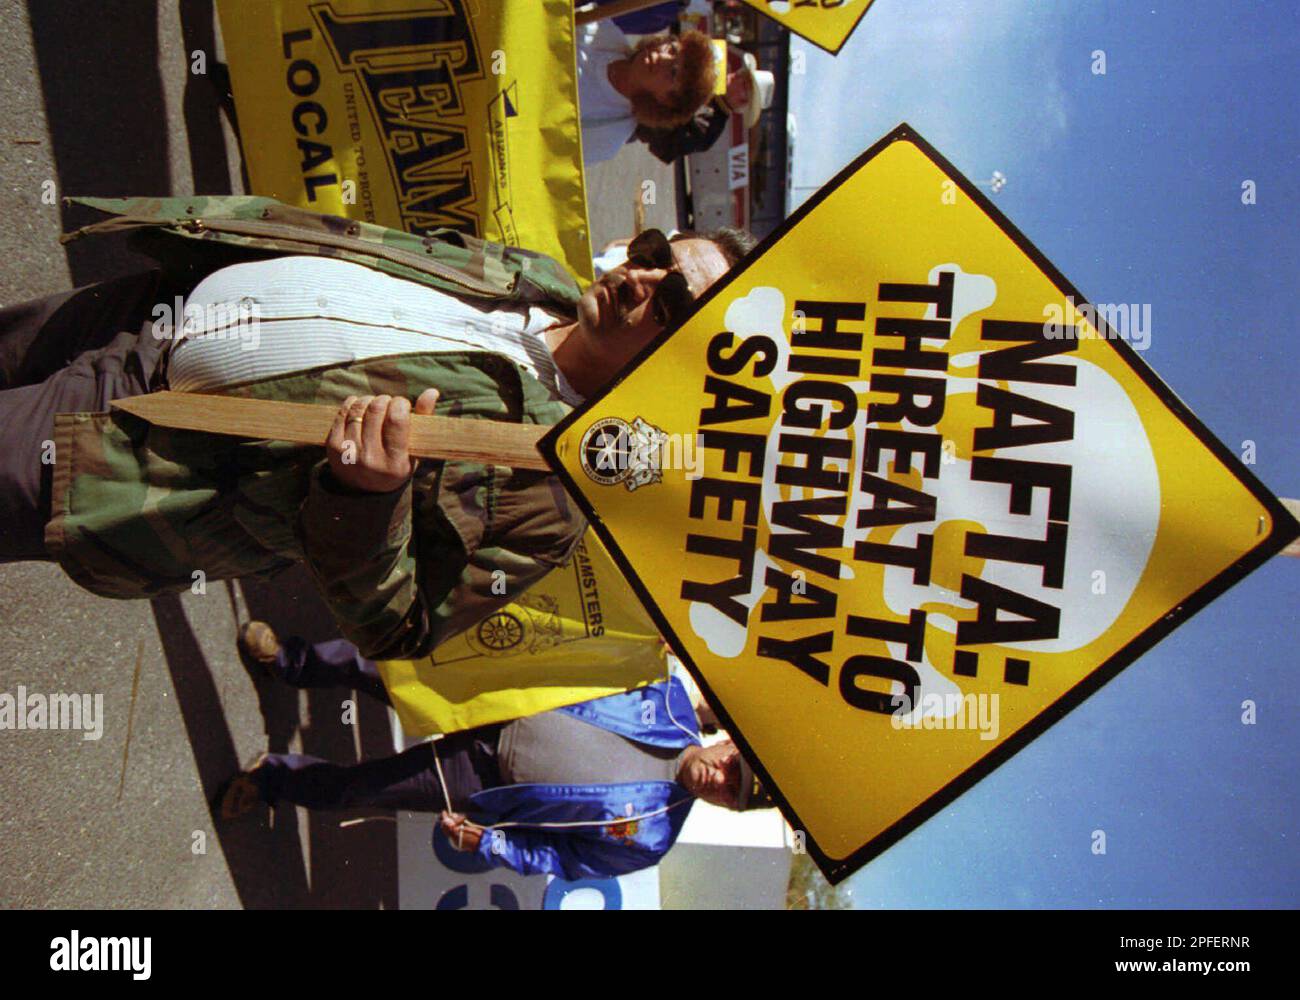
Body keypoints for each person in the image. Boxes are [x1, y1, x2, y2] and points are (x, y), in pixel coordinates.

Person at [0, 195, 756, 659]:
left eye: (672, 300)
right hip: (152, 308)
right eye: (657, 253)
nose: (640, 275)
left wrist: (364, 500)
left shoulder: (549, 497)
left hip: (135, 446)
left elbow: (401, 631)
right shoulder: (538, 274)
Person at [222, 623, 773, 879]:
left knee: (360, 789)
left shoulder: (651, 839)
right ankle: (287, 663)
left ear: (728, 809)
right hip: (490, 695)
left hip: (483, 777)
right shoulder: (667, 694)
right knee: (376, 670)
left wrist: (492, 844)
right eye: (733, 767)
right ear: (727, 743)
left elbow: (559, 859)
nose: (721, 779)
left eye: (733, 792)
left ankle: (270, 778)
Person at [576, 21, 716, 165]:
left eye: (673, 73)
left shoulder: (607, 136)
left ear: (666, 102)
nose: (662, 58)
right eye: (672, 50)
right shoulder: (602, 29)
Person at [635, 49, 776, 163]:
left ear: (742, 101)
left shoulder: (709, 127)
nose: (736, 75)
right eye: (741, 73)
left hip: (633, 118)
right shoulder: (710, 80)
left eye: (743, 83)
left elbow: (663, 147)